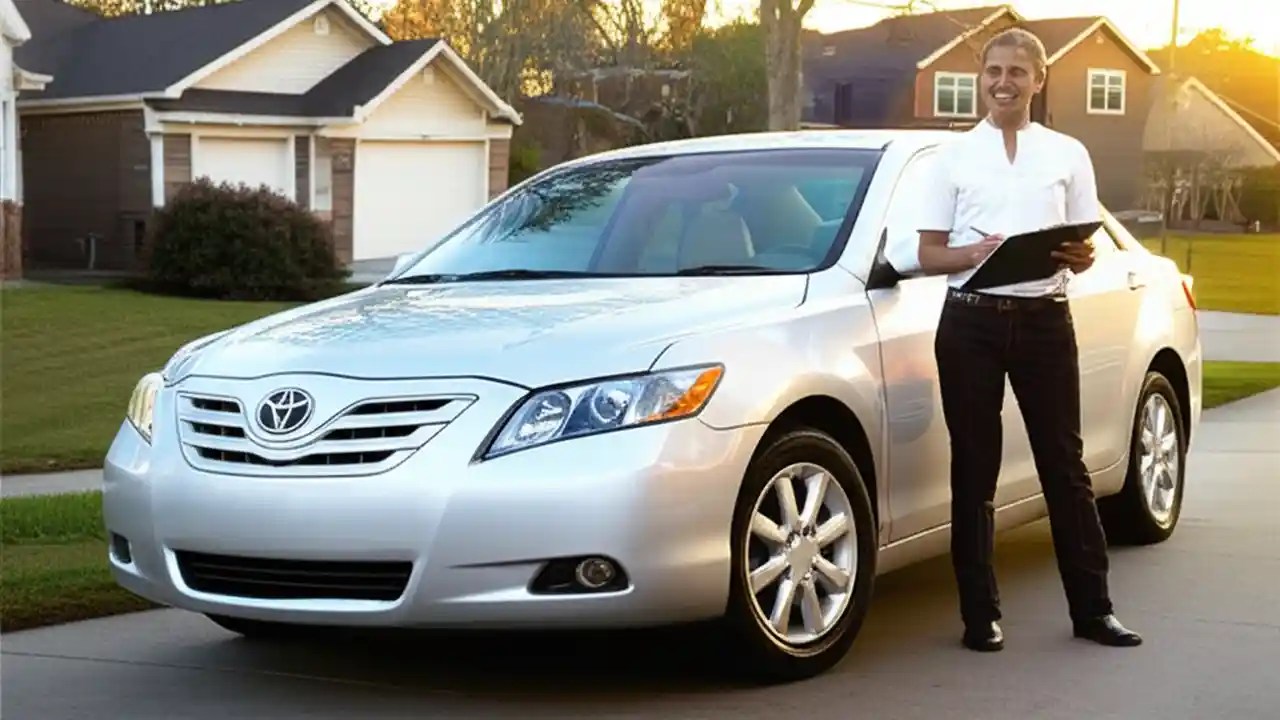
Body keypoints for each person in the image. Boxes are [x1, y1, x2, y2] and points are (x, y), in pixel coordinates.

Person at [914, 27, 1143, 652]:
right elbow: (929, 252)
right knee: (975, 468)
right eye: (993, 71)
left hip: (1045, 320)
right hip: (970, 324)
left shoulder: (1068, 153)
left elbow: (1084, 250)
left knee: (1064, 467)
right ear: (981, 77)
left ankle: (1095, 610)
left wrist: (1080, 254)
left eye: (1017, 72)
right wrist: (973, 254)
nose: (1003, 83)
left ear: (1039, 79)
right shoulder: (952, 158)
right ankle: (979, 615)